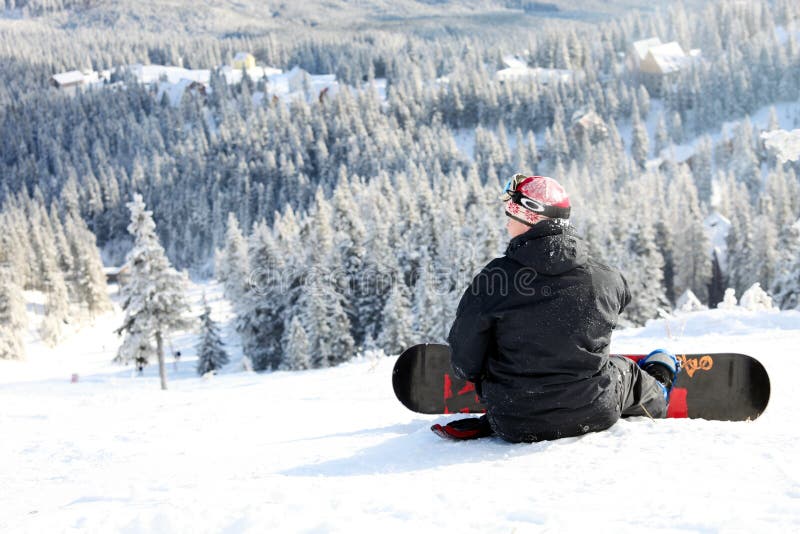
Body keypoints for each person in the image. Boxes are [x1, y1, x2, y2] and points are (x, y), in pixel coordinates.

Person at [434, 174, 680, 442]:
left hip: (513, 420)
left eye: (512, 214)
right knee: (628, 373)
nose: (506, 223)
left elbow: (464, 364)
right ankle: (659, 387)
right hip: (594, 411)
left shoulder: (494, 280)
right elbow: (620, 300)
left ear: (531, 217)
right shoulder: (606, 277)